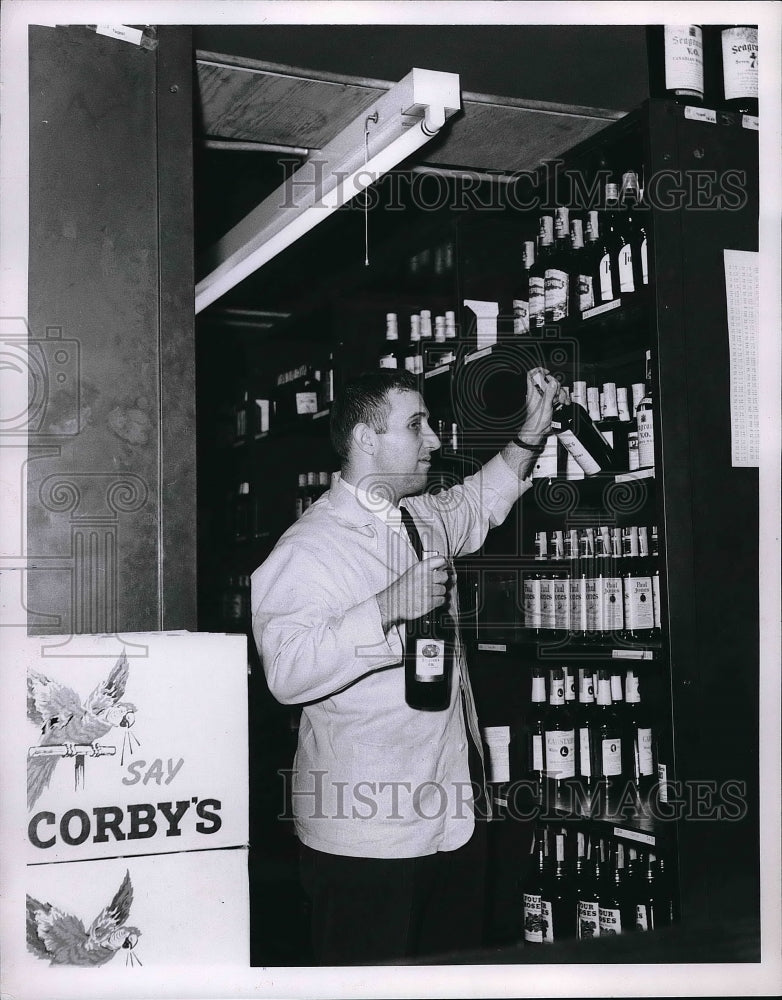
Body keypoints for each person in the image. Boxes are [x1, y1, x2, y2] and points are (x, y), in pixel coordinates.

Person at [251, 365, 561, 965]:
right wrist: (388, 608)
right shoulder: (309, 548)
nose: (436, 440)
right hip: (366, 840)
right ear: (366, 440)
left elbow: (477, 501)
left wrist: (528, 435)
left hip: (451, 822)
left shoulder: (418, 517)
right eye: (416, 426)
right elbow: (286, 671)